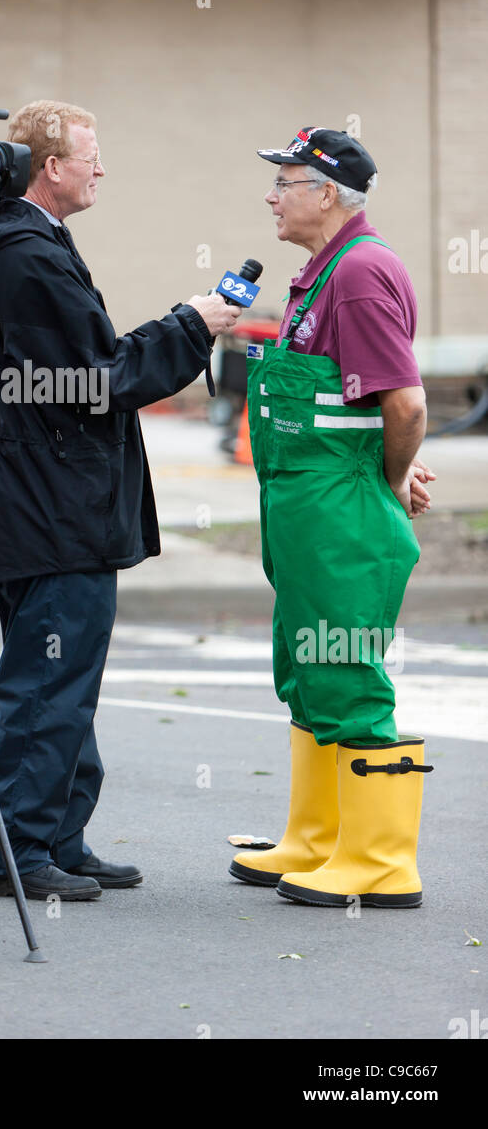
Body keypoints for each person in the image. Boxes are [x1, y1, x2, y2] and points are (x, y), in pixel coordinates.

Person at [0, 100, 240, 902]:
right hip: (51, 505)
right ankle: (17, 852)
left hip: (38, 496)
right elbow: (94, 382)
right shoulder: (28, 256)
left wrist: (181, 328)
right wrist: (191, 325)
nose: (101, 168)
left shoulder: (22, 241)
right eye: (91, 155)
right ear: (52, 167)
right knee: (48, 682)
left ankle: (56, 837)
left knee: (63, 676)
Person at [230, 127, 435, 908]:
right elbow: (359, 402)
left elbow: (407, 400)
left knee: (345, 667)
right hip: (308, 506)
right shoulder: (322, 272)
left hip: (341, 508)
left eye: (285, 181)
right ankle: (317, 841)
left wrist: (384, 483)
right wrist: (391, 464)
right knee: (307, 666)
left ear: (326, 194)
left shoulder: (359, 272)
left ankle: (381, 864)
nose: (273, 195)